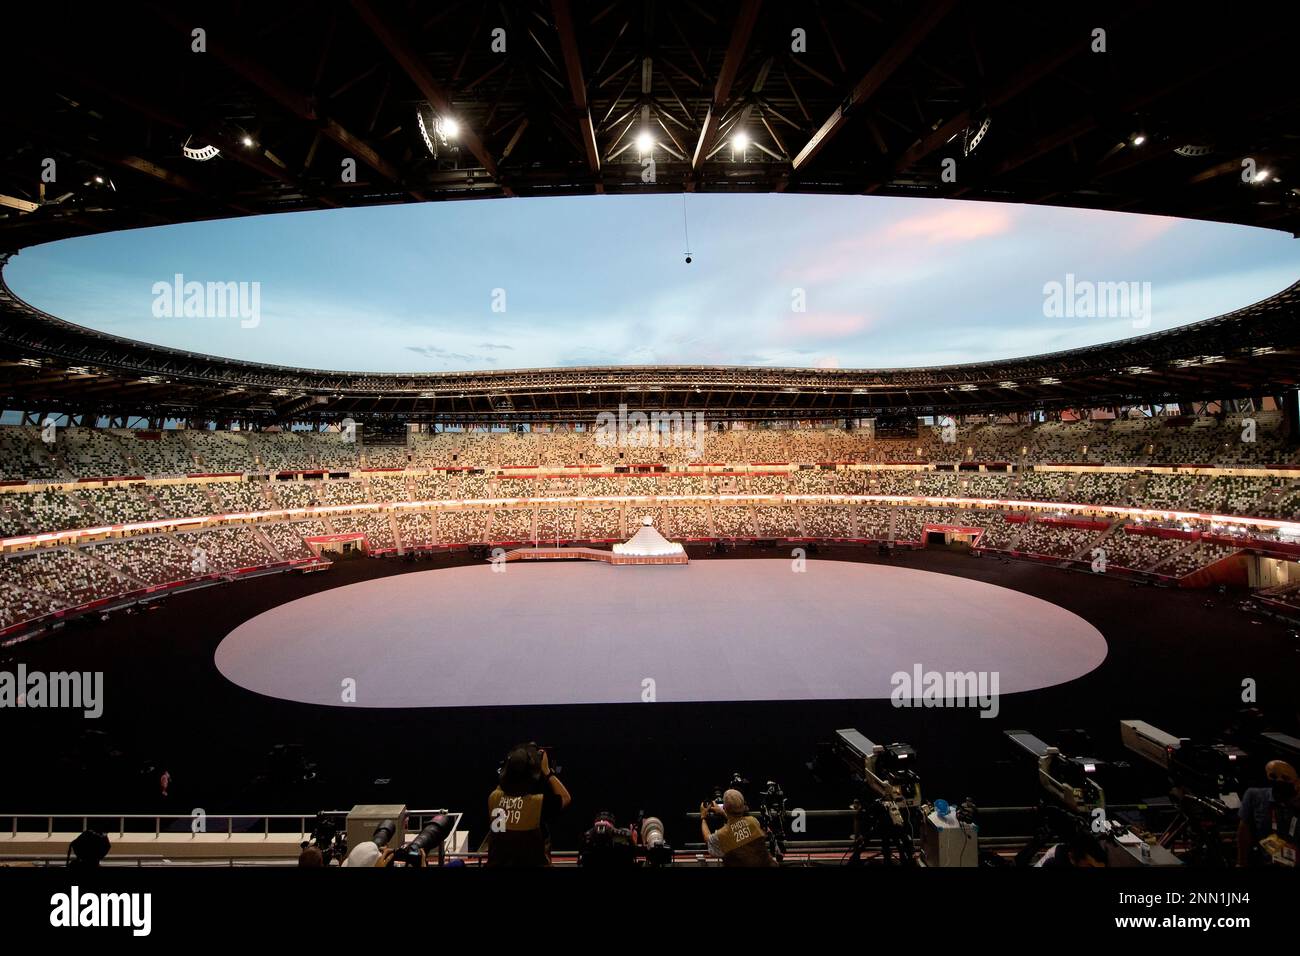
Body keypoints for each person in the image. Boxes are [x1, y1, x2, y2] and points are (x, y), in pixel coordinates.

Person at [485, 743, 570, 867]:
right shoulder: (537, 803)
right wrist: (547, 772)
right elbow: (566, 797)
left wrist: (514, 762)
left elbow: (505, 784)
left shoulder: (494, 797)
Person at [1237, 759, 1299, 867]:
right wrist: (1241, 862)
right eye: (1273, 777)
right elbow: (1243, 832)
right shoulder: (1255, 796)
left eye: (1285, 778)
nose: (1279, 781)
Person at [699, 789, 776, 867]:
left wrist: (703, 817)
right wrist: (723, 813)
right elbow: (738, 824)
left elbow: (709, 841)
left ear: (725, 808)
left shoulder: (721, 835)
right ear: (743, 807)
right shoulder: (754, 821)